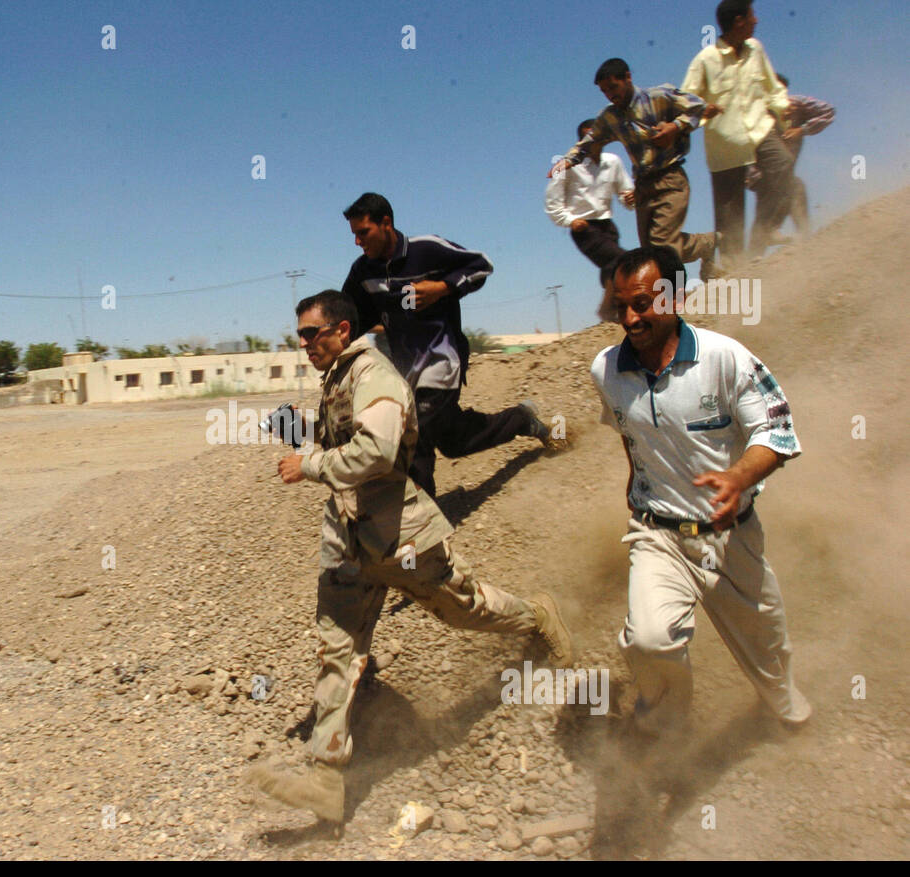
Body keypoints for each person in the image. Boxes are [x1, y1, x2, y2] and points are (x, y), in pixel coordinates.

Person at [246, 290, 576, 824]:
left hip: (401, 540)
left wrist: (307, 466)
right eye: (300, 334)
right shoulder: (338, 377)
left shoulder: (374, 375)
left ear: (343, 331)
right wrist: (300, 433)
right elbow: (344, 438)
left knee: (465, 610)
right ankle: (326, 780)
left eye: (312, 333)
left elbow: (375, 452)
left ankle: (537, 616)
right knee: (336, 648)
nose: (303, 343)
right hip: (350, 545)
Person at [590, 246, 810, 738]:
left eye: (642, 304)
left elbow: (775, 433)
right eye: (620, 305)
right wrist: (636, 479)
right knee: (649, 641)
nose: (629, 317)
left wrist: (738, 478)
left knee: (767, 648)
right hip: (659, 535)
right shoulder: (605, 370)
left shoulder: (725, 358)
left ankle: (784, 711)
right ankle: (668, 730)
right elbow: (631, 431)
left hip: (730, 538)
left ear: (676, 295)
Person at [340, 193, 556, 500]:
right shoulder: (363, 271)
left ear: (385, 223)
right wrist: (327, 334)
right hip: (404, 371)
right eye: (355, 235)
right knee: (455, 442)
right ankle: (522, 419)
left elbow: (482, 266)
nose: (359, 242)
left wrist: (441, 288)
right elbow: (348, 314)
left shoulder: (426, 250)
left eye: (364, 233)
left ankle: (422, 518)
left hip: (443, 359)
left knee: (415, 430)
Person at [550, 59, 719, 279]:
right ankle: (708, 244)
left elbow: (700, 108)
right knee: (652, 252)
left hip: (670, 178)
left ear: (627, 78)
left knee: (662, 246)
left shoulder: (658, 96)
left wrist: (675, 127)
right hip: (643, 187)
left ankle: (668, 299)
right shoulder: (610, 117)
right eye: (604, 91)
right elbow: (590, 140)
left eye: (613, 87)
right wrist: (568, 160)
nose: (610, 95)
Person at [681, 0, 791, 263]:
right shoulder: (706, 59)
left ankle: (764, 234)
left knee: (782, 164)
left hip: (759, 128)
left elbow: (771, 86)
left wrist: (782, 108)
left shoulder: (756, 49)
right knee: (729, 211)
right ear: (739, 21)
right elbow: (684, 99)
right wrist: (701, 109)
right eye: (752, 16)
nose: (757, 21)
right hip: (725, 142)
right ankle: (736, 267)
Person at [545, 117, 636, 317]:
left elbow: (624, 190)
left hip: (608, 225)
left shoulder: (613, 162)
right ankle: (607, 310)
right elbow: (552, 200)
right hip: (584, 228)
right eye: (589, 137)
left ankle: (612, 313)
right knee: (622, 260)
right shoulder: (566, 165)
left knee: (610, 266)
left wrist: (629, 198)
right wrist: (570, 221)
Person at [746, 75, 835, 238]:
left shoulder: (796, 104)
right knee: (787, 191)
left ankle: (804, 239)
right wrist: (752, 177)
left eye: (781, 91)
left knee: (793, 188)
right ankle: (760, 248)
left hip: (784, 174)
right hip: (760, 176)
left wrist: (802, 129)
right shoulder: (755, 113)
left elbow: (827, 111)